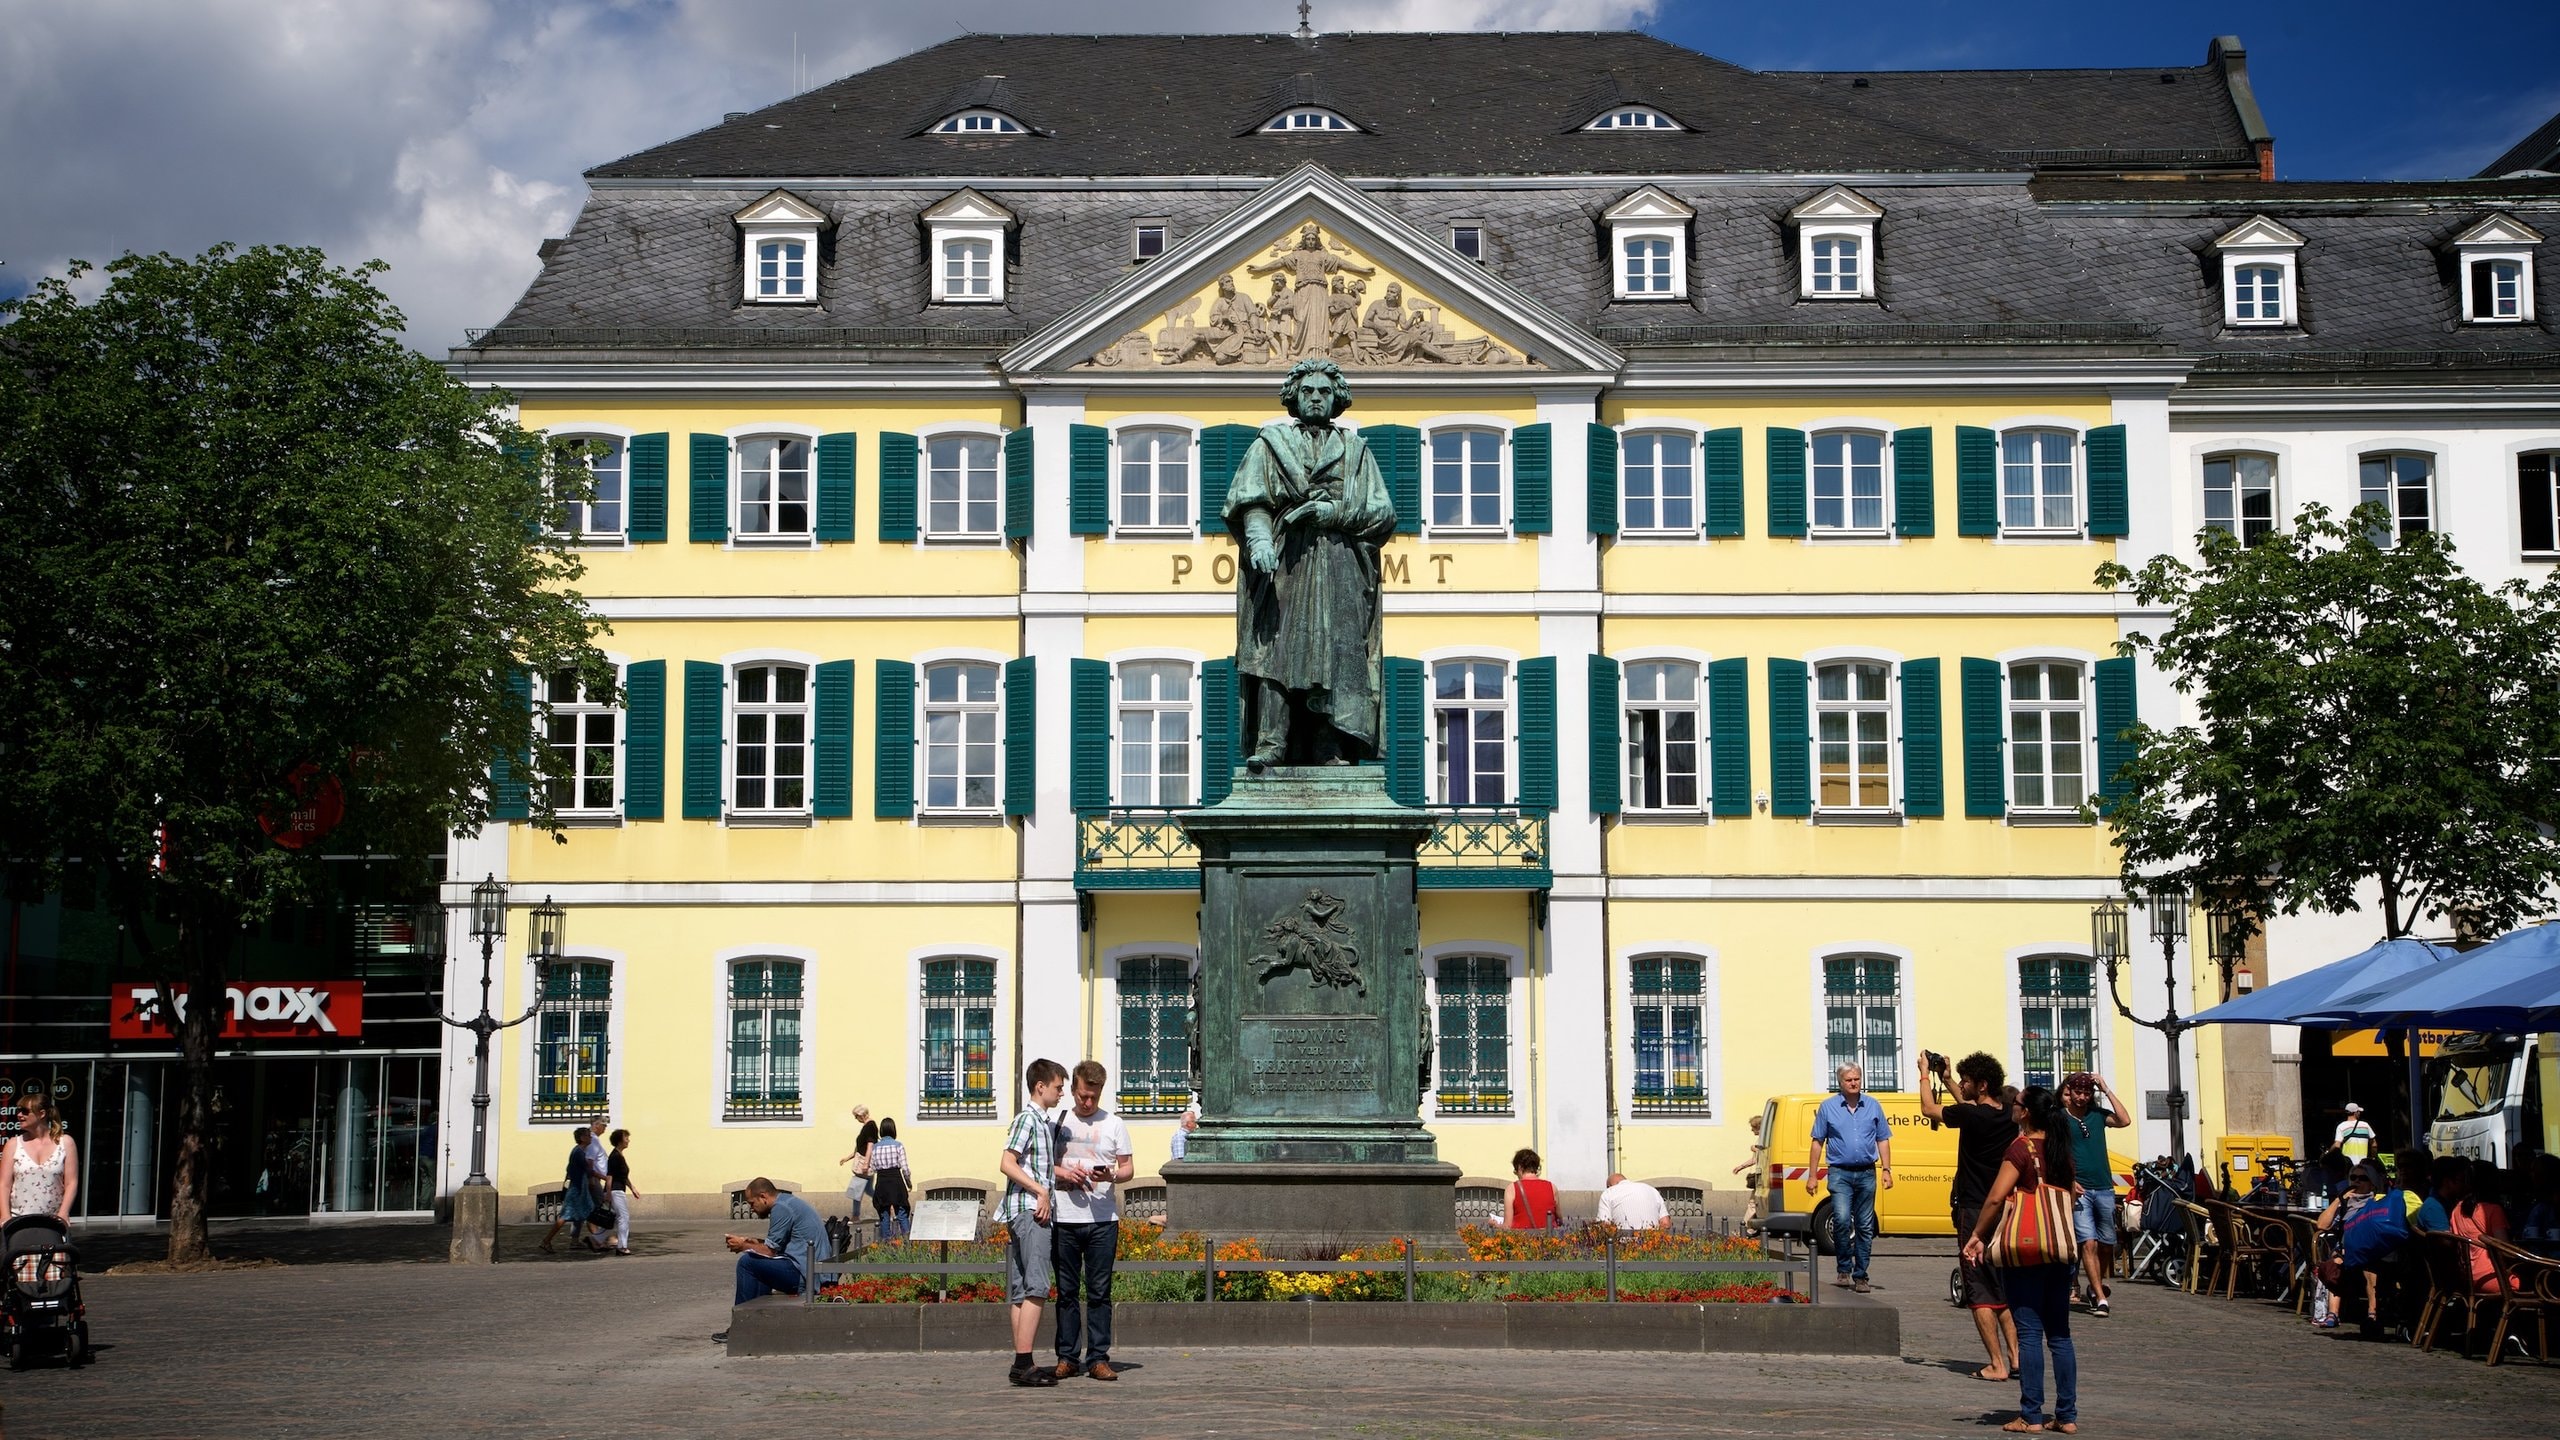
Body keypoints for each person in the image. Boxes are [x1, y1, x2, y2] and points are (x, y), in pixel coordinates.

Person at [1221, 358, 1400, 769]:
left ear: (1336, 398)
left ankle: (1331, 746)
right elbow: (1252, 500)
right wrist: (1260, 539)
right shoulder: (1270, 444)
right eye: (1307, 391)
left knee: (1338, 654)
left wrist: (1332, 513)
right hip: (1284, 564)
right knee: (1274, 652)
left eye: (1323, 391)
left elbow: (1383, 513)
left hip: (1340, 566)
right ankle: (1271, 744)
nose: (1316, 398)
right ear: (1293, 398)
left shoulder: (1356, 451)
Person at [1964, 1086, 2080, 1436]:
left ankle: (2031, 1415)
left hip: (2026, 1249)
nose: (2013, 1108)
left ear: (2026, 1112)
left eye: (2017, 1104)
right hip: (2059, 1249)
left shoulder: (2020, 1148)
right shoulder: (2061, 1149)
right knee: (2060, 1334)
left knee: (2029, 1333)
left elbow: (1996, 1197)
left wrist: (1978, 1235)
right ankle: (2067, 1415)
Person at [1921, 1050, 2020, 1382]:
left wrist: (1925, 1074)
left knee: (1978, 1288)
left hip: (1974, 1208)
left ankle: (1996, 1364)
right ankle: (2016, 1357)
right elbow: (1970, 1105)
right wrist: (1947, 1077)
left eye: (1966, 1081)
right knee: (2001, 1285)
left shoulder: (1974, 1116)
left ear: (1982, 1084)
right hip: (2003, 1208)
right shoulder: (2007, 1115)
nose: (1961, 1085)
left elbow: (1928, 1110)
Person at [1049, 1060, 1133, 1381]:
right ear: (1073, 1090)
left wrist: (1110, 1173)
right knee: (1066, 1291)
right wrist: (1065, 1174)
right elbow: (1042, 1164)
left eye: (1094, 1098)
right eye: (1083, 1096)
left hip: (1102, 1219)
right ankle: (1067, 1356)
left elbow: (1127, 1169)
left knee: (1099, 1292)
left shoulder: (1114, 1124)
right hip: (1064, 1217)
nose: (1088, 1103)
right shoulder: (1057, 1121)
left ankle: (1098, 1357)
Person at [999, 1058, 1069, 1387]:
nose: (1061, 1093)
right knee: (1037, 1287)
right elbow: (1007, 1162)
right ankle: (1023, 1363)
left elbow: (1033, 1165)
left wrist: (1056, 1178)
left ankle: (1022, 1360)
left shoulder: (1038, 1121)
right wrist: (1041, 1191)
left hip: (1021, 1209)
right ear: (1040, 1087)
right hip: (1030, 1211)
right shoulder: (1029, 1119)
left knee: (1021, 1290)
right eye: (1058, 1087)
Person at [1809, 1062, 1892, 1292]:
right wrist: (1812, 1175)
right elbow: (1817, 1142)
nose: (1854, 1083)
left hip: (1867, 1172)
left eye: (1857, 1079)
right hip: (1840, 1173)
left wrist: (1886, 1169)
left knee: (1865, 1226)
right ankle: (1843, 1269)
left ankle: (1861, 1275)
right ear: (1840, 1082)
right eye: (1849, 1080)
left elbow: (1883, 1139)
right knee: (1843, 1221)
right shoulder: (1828, 1108)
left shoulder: (1873, 1106)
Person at [2059, 1072, 2131, 1316]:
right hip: (2080, 1191)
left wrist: (2106, 1088)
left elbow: (2124, 1120)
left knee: (2107, 1243)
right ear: (2069, 1091)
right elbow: (2053, 1152)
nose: (2081, 1097)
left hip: (2104, 1189)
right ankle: (2101, 1298)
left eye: (2087, 1093)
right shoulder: (2060, 1118)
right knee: (2088, 1242)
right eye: (2078, 1092)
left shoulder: (2098, 1116)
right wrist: (2068, 1180)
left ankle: (2095, 1285)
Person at [723, 1178, 826, 1314]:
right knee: (760, 1265)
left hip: (805, 1274)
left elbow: (769, 1252)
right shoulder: (787, 1201)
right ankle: (755, 1321)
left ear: (763, 1197)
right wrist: (755, 1243)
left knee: (747, 1263)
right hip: (810, 1269)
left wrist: (743, 1245)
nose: (752, 1209)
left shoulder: (781, 1208)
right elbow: (774, 1246)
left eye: (752, 1203)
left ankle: (740, 1322)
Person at [3, 1092, 78, 1225]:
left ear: (42, 1114)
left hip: (54, 1221)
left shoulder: (65, 1143)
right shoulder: (13, 1144)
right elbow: (4, 1184)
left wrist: (63, 1213)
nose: (19, 1115)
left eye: (24, 1111)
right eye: (18, 1111)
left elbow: (71, 1183)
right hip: (19, 1221)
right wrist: (5, 1216)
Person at [540, 1127, 595, 1254]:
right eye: (588, 1135)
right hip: (577, 1189)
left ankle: (577, 1241)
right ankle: (546, 1240)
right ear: (582, 1138)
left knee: (583, 1214)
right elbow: (584, 1170)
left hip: (579, 1188)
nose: (590, 1137)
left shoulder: (579, 1151)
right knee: (568, 1215)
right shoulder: (579, 1152)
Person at [869, 1119, 913, 1241]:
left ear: (881, 1131)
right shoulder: (898, 1145)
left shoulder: (875, 1148)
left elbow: (871, 1169)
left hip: (882, 1182)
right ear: (894, 1130)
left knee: (884, 1214)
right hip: (896, 1181)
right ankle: (907, 1243)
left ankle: (886, 1243)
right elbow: (904, 1169)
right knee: (902, 1212)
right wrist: (909, 1183)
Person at [838, 1105, 878, 1224]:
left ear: (861, 1115)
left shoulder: (870, 1126)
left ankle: (856, 1216)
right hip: (862, 1162)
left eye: (856, 1116)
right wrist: (847, 1158)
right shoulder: (867, 1126)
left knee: (857, 1190)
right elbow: (860, 1147)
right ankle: (888, 1206)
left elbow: (870, 1145)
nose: (856, 1119)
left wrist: (866, 1163)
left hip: (863, 1164)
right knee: (868, 1190)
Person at [600, 1129, 636, 1256]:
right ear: (620, 1141)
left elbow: (623, 1176)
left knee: (614, 1218)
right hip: (615, 1191)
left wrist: (632, 1188)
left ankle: (597, 1240)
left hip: (617, 1189)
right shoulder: (615, 1156)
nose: (628, 1140)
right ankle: (621, 1247)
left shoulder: (619, 1155)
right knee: (623, 1217)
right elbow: (610, 1176)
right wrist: (608, 1193)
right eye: (626, 1138)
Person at [1507, 1148, 1560, 1230]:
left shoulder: (1512, 1188)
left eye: (1515, 1171)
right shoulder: (1552, 1187)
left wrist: (1495, 1224)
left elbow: (1507, 1226)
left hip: (1522, 1240)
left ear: (1520, 1168)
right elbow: (1559, 1219)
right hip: (1548, 1240)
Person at [1595, 1173, 1669, 1230]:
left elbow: (1603, 1225)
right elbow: (1666, 1223)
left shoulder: (1608, 1192)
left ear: (1609, 1186)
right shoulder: (1652, 1190)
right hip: (1653, 1243)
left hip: (1624, 1246)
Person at [1733, 1112, 1767, 1232]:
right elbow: (1754, 1159)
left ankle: (1746, 1228)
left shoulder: (1765, 1139)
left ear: (1759, 1127)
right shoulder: (1762, 1138)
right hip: (1762, 1176)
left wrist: (1754, 1148)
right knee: (1757, 1203)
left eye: (1753, 1128)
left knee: (1753, 1203)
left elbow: (1763, 1152)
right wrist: (1740, 1167)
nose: (1752, 1131)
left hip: (1764, 1176)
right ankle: (1750, 1228)